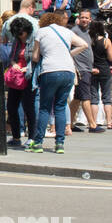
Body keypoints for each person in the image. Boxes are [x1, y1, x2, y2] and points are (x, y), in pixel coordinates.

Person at [28, 12, 89, 153]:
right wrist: (68, 54)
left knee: (45, 107)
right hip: (68, 70)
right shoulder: (66, 31)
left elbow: (36, 57)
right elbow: (84, 45)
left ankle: (38, 143)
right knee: (60, 106)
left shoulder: (41, 32)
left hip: (49, 70)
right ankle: (59, 143)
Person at [4, 17, 35, 146]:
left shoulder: (33, 40)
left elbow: (37, 59)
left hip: (28, 77)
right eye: (17, 34)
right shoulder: (17, 41)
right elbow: (12, 57)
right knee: (11, 107)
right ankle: (16, 137)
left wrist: (26, 68)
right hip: (16, 78)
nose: (20, 37)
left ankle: (32, 137)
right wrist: (14, 64)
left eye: (21, 34)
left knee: (29, 108)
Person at [66, 9, 99, 132]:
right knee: (86, 96)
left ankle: (69, 124)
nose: (84, 20)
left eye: (87, 18)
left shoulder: (88, 32)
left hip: (87, 68)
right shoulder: (74, 31)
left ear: (90, 19)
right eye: (82, 17)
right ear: (78, 18)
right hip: (80, 69)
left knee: (77, 98)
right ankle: (92, 125)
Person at [89, 18, 112, 130]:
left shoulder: (89, 40)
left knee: (94, 98)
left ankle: (93, 122)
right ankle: (109, 122)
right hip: (105, 69)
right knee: (107, 97)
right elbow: (111, 57)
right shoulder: (106, 41)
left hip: (92, 69)